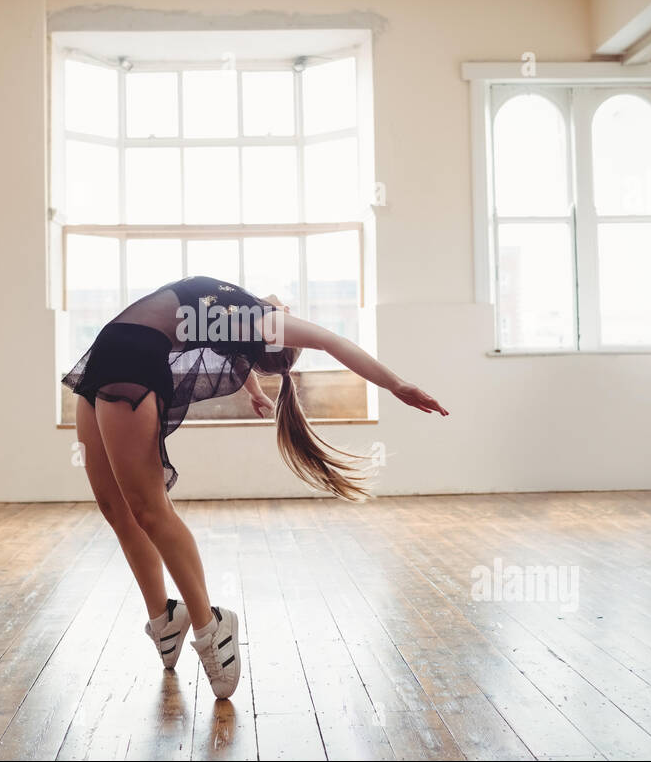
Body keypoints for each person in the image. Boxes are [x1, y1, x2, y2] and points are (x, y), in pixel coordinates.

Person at [61, 275, 447, 699]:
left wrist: (395, 384)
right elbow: (228, 339)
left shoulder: (263, 320)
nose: (287, 307)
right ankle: (165, 617)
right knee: (114, 507)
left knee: (148, 509)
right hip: (104, 360)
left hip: (129, 366)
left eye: (287, 314)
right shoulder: (235, 312)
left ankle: (210, 626)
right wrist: (254, 388)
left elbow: (332, 341)